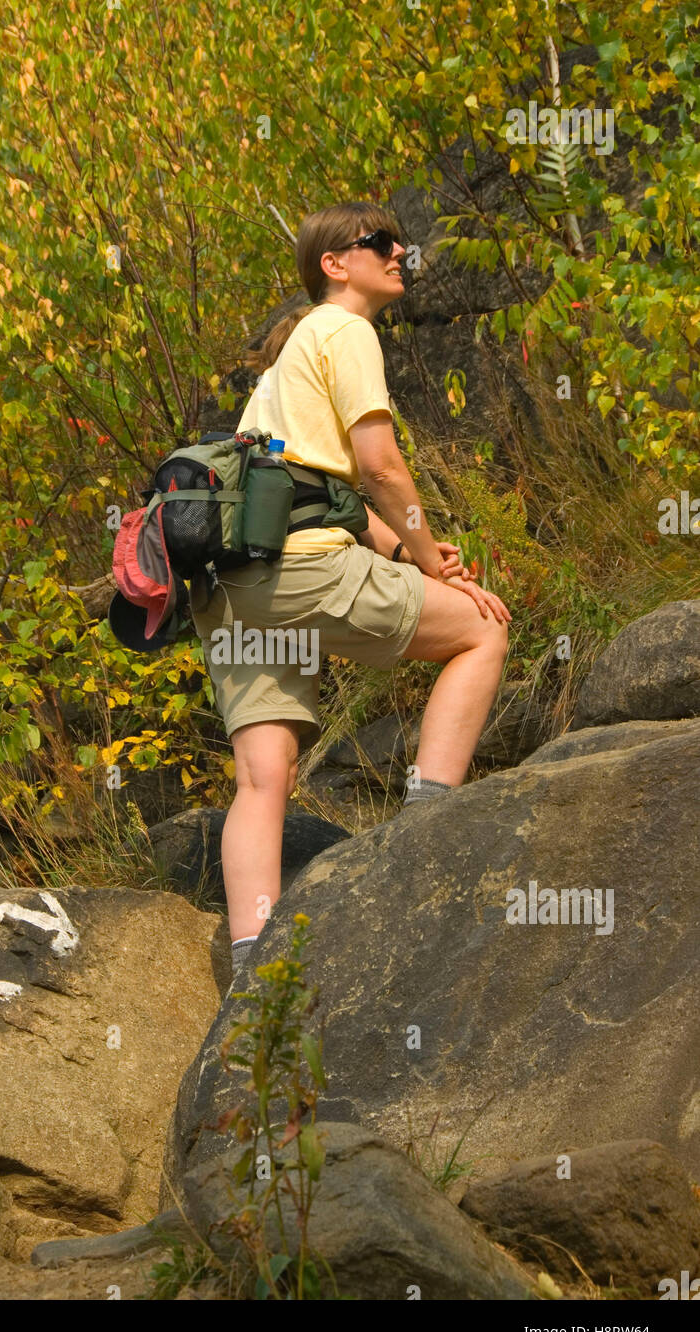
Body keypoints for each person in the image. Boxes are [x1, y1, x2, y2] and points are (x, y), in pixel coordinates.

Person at [189, 202, 512, 977]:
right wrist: (436, 564)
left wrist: (404, 547)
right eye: (379, 242)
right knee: (480, 631)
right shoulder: (345, 329)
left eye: (397, 240)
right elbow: (379, 466)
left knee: (263, 777)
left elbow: (317, 489)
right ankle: (424, 836)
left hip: (233, 586)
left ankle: (252, 969)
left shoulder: (283, 362)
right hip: (303, 570)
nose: (400, 250)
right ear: (336, 264)